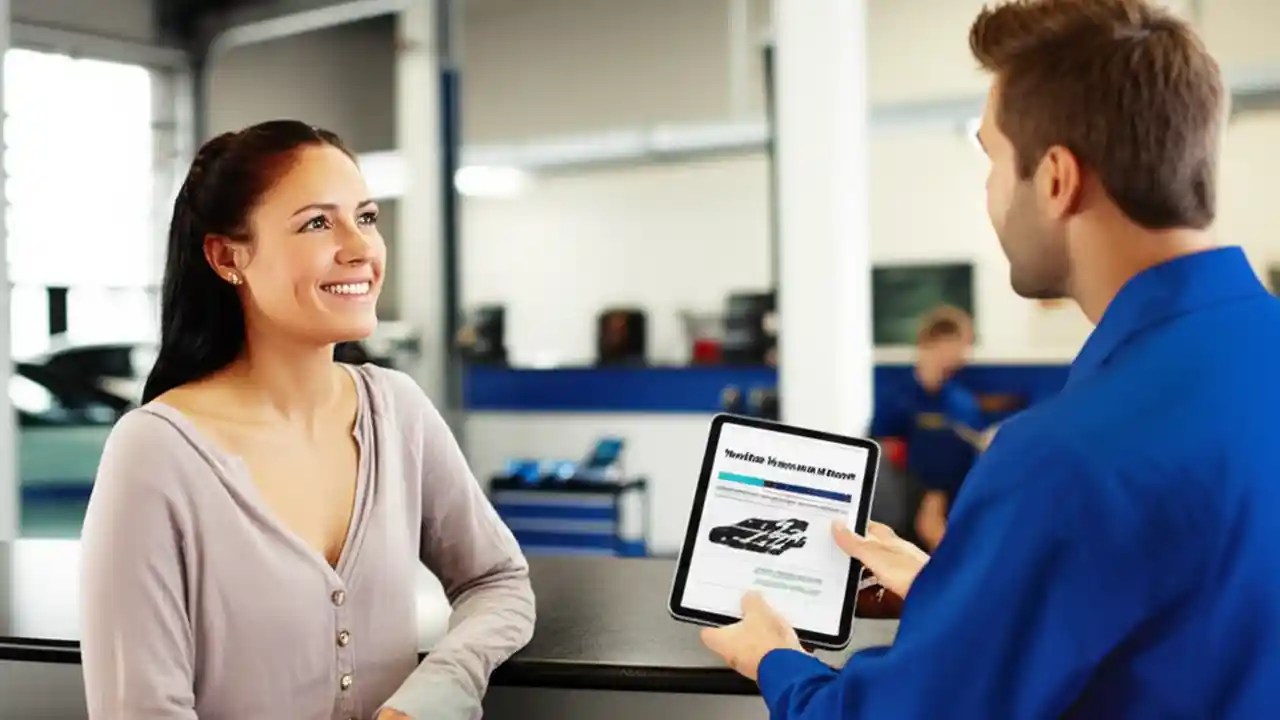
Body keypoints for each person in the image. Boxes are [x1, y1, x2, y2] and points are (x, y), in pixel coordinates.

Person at [701, 1, 1280, 717]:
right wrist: (966, 592)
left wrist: (776, 660)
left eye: (992, 159)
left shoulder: (1064, 459)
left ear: (1057, 179)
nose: (989, 191)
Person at [79, 120, 536, 720]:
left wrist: (431, 695)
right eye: (318, 223)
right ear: (227, 256)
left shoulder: (396, 411)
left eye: (366, 217)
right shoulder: (155, 451)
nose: (360, 247)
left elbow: (498, 582)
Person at [869, 306, 985, 550]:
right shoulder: (897, 397)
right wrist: (929, 492)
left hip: (952, 500)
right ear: (938, 342)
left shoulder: (961, 403)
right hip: (904, 495)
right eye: (961, 345)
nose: (964, 356)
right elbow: (883, 447)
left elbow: (973, 449)